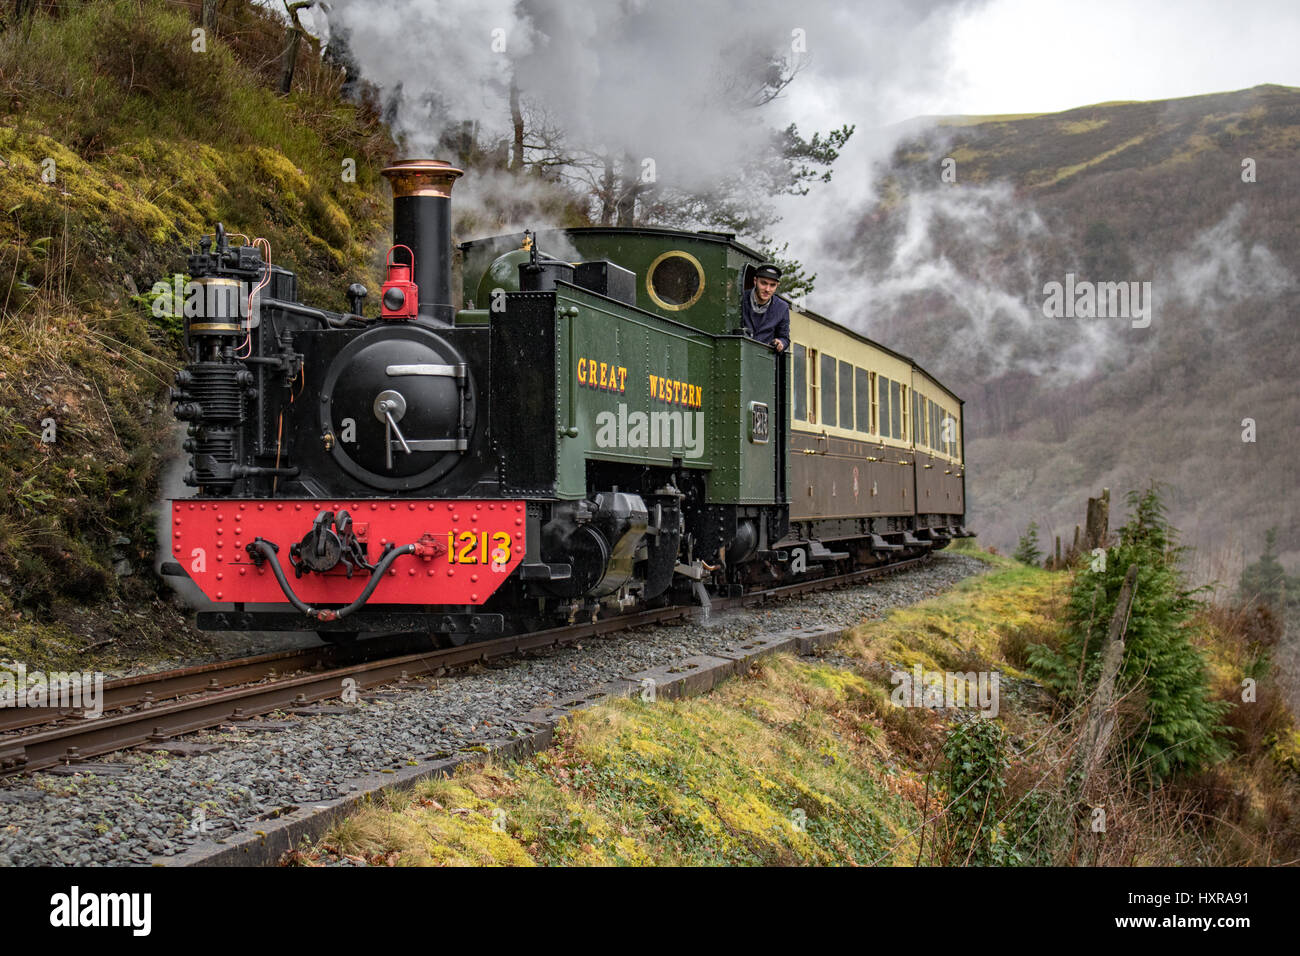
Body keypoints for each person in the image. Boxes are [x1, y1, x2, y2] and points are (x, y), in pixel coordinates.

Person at [741, 263, 789, 352]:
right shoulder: (740, 298)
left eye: (772, 285)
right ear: (755, 281)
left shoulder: (782, 307)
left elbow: (785, 338)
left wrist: (780, 343)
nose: (767, 289)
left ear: (777, 285)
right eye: (764, 283)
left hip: (765, 358)